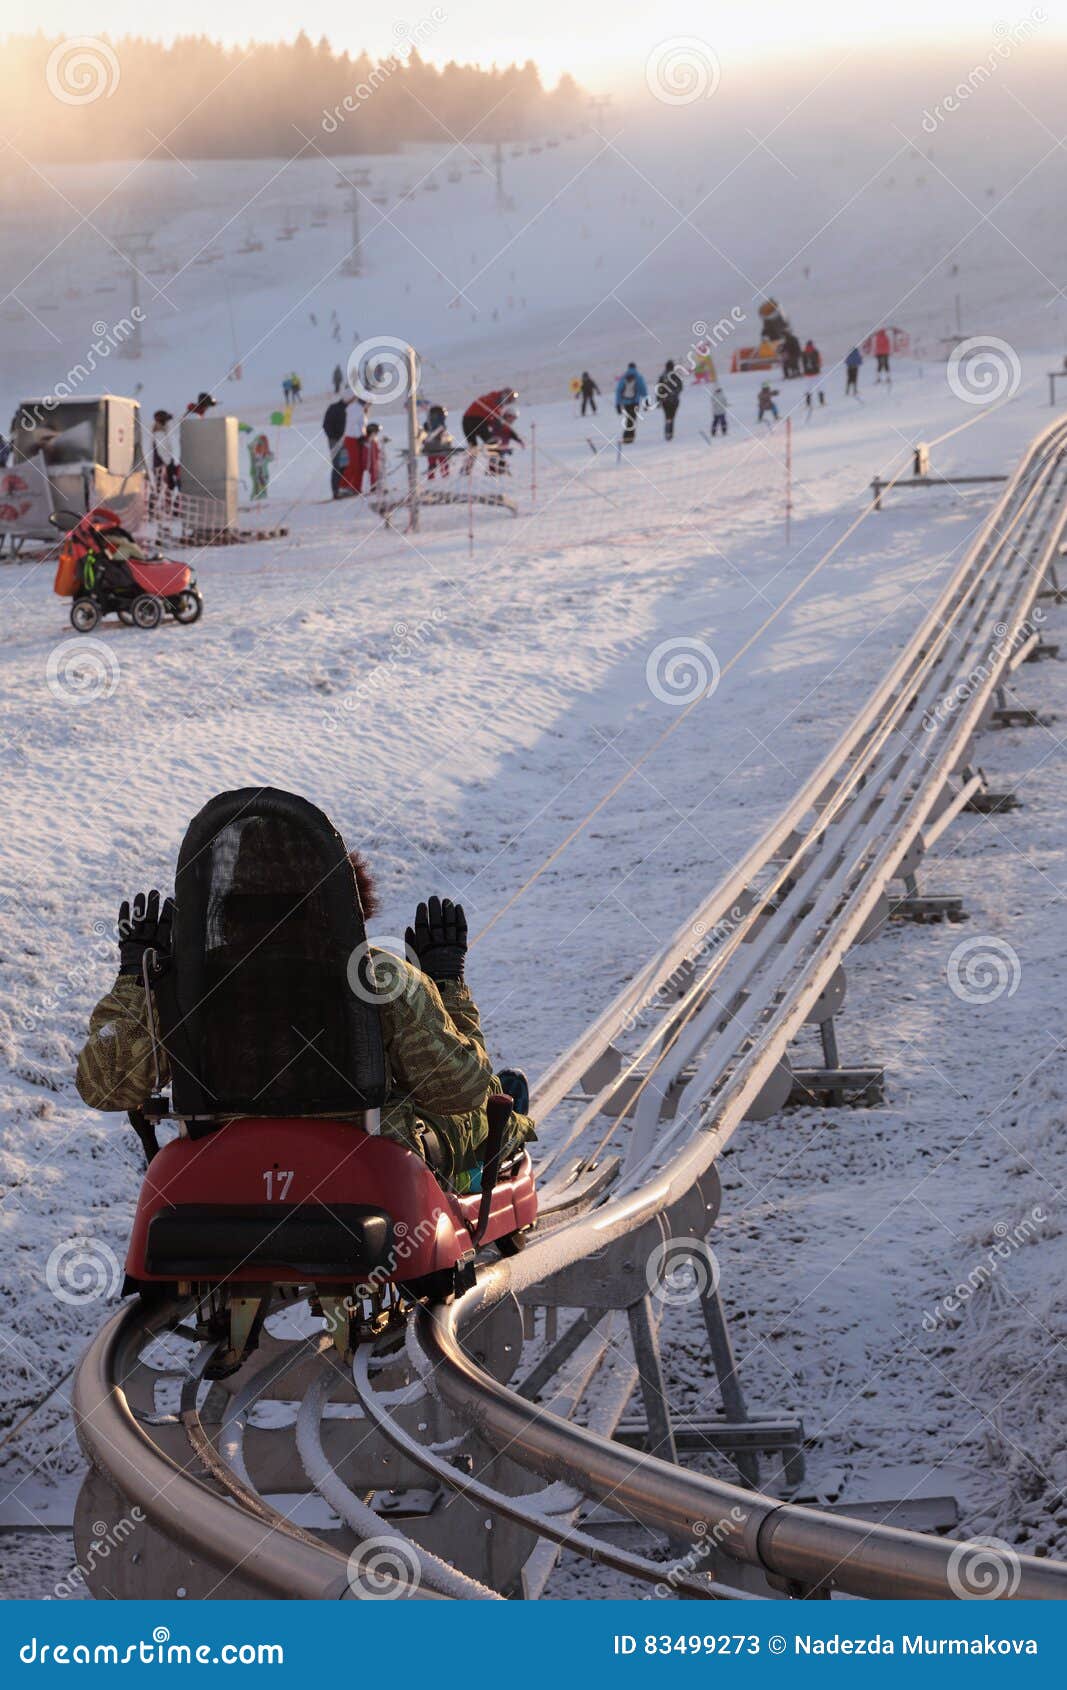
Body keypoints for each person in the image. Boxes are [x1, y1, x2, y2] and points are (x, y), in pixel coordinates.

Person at [74, 876, 535, 1195]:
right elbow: (460, 1089)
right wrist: (444, 984)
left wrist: (139, 978)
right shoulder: (377, 975)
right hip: (363, 1164)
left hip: (227, 1163)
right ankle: (506, 1127)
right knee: (477, 1104)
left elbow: (108, 1086)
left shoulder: (191, 986)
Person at [150, 410, 179, 507]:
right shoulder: (160, 432)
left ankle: (161, 507)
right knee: (164, 486)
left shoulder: (161, 432)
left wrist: (168, 462)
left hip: (162, 464)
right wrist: (169, 462)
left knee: (162, 486)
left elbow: (163, 449)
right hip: (162, 464)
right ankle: (162, 507)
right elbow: (162, 450)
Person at [614, 362, 647, 444]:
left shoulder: (623, 377)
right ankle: (629, 438)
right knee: (632, 419)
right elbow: (643, 390)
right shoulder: (638, 377)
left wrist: (618, 404)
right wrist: (646, 402)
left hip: (625, 402)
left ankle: (627, 437)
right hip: (635, 402)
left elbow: (619, 391)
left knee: (628, 418)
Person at [322, 394, 348, 497]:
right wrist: (335, 436)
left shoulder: (348, 409)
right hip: (335, 440)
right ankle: (336, 491)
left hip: (344, 440)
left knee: (344, 464)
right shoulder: (335, 408)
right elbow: (326, 425)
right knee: (337, 465)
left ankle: (342, 488)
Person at [655, 359, 684, 440]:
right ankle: (670, 433)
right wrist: (675, 393)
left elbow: (658, 389)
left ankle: (667, 432)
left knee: (667, 417)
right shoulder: (676, 376)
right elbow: (680, 387)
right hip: (674, 400)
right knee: (672, 417)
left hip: (665, 401)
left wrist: (658, 400)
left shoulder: (662, 376)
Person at [422, 403, 453, 479]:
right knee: (443, 463)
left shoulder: (428, 424)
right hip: (440, 447)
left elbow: (425, 437)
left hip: (431, 446)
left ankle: (433, 478)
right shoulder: (438, 425)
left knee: (434, 464)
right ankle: (444, 478)